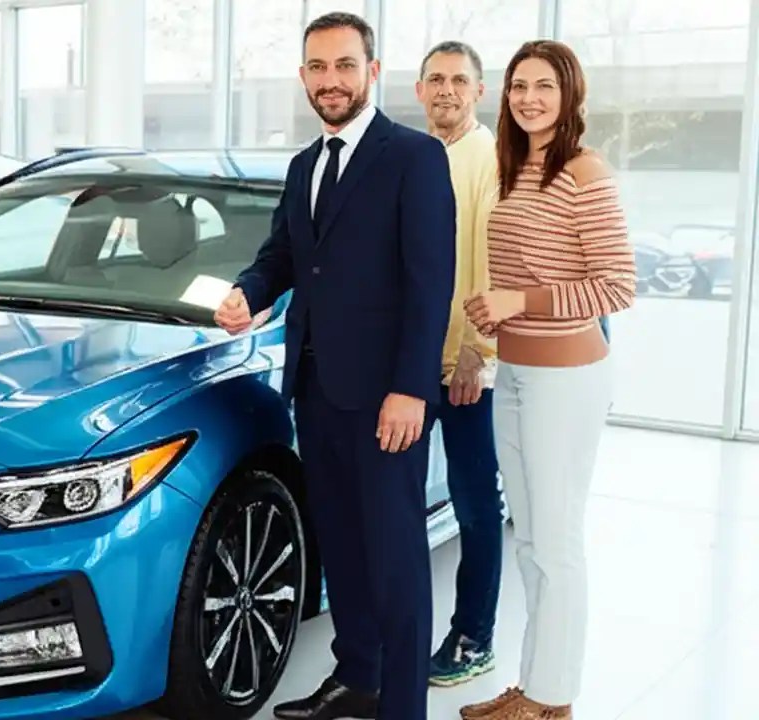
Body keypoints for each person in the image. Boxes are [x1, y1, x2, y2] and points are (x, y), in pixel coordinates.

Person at [215, 11, 455, 720]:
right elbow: (286, 256)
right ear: (303, 77)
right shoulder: (303, 165)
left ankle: (403, 706)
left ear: (372, 72)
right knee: (342, 550)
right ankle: (358, 679)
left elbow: (429, 281)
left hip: (388, 399)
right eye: (317, 68)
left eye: (345, 66)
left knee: (396, 561)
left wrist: (411, 389)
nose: (331, 81)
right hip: (315, 392)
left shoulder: (413, 156)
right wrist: (248, 293)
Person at [460, 39, 635, 720]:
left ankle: (551, 699)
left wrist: (518, 303)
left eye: (545, 86)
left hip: (566, 379)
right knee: (529, 537)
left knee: (555, 542)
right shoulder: (518, 166)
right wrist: (489, 323)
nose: (529, 97)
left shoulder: (584, 172)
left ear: (570, 96)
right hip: (519, 372)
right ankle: (535, 686)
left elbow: (617, 286)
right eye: (518, 85)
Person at [413, 40, 504, 688]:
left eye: (458, 80)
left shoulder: (487, 158)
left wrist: (476, 352)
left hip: (466, 364)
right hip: (410, 365)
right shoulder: (413, 157)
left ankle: (474, 637)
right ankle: (402, 627)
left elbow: (490, 260)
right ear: (420, 90)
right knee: (398, 506)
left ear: (478, 92)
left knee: (475, 507)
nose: (446, 89)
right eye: (435, 79)